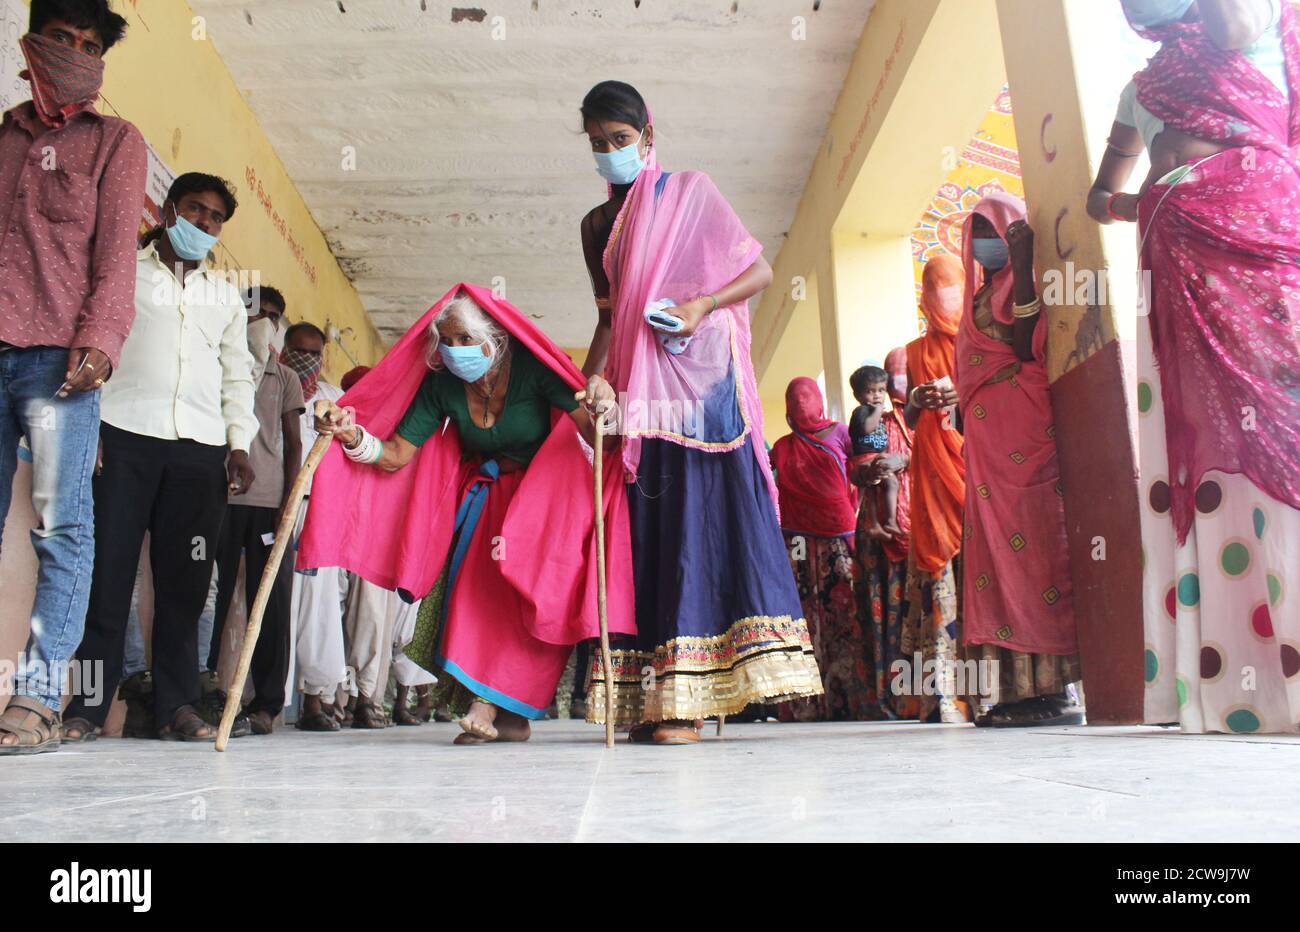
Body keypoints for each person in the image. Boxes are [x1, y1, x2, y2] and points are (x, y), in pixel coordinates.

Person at [575, 80, 822, 743]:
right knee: (649, 539)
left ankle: (687, 705)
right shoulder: (597, 226)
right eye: (598, 145)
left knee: (697, 536)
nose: (610, 154)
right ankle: (651, 699)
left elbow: (760, 272)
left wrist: (702, 306)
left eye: (620, 141)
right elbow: (607, 318)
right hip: (639, 401)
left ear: (649, 137)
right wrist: (589, 379)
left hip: (706, 394)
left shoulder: (690, 192)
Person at [1090, 0, 1299, 733]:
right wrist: (1144, 199)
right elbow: (1096, 195)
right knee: (1199, 456)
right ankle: (1228, 678)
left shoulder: (1265, 27)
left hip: (1261, 241)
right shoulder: (1141, 89)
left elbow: (1234, 25)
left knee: (1280, 433)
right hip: (1175, 265)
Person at [302, 284, 630, 746]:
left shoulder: (534, 372)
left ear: (493, 338)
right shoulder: (441, 386)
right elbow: (395, 454)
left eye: (464, 340)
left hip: (544, 501)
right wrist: (352, 435)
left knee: (535, 600)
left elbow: (602, 437)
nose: (454, 351)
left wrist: (605, 405)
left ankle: (503, 707)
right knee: (476, 599)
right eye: (447, 341)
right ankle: (492, 708)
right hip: (486, 499)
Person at [62, 172, 257, 743]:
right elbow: (92, 345)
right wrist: (85, 427)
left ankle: (178, 704)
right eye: (195, 209)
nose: (204, 224)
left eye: (216, 218)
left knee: (186, 584)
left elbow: (236, 374)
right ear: (169, 209)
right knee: (107, 579)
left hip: (200, 451)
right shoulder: (122, 271)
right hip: (122, 438)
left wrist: (239, 443)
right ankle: (88, 707)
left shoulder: (226, 295)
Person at [0, 0, 146, 754]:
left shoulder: (115, 142)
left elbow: (116, 255)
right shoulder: (4, 137)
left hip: (61, 360)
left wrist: (100, 339)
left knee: (63, 529)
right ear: (33, 42)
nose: (78, 54)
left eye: (93, 47)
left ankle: (36, 698)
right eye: (64, 39)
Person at [956, 194, 1081, 726]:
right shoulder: (978, 297)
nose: (986, 244)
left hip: (1025, 441)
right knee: (990, 561)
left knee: (1033, 554)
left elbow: (1030, 348)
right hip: (987, 454)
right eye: (976, 234)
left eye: (994, 232)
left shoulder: (1018, 283)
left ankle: (1050, 693)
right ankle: (1014, 692)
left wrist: (1024, 266)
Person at [205, 290, 305, 736]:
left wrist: (290, 500)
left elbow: (294, 441)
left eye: (271, 317)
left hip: (267, 503)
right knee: (211, 597)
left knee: (272, 603)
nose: (262, 322)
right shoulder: (217, 365)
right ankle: (204, 688)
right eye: (256, 313)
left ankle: (267, 703)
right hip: (220, 501)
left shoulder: (284, 377)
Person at [769, 377, 870, 721]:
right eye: (795, 400)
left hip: (830, 537)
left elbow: (859, 476)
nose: (801, 405)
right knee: (802, 621)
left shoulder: (842, 433)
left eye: (804, 398)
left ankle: (842, 701)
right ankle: (805, 704)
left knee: (840, 614)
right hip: (801, 541)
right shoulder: (782, 447)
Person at [899, 253, 967, 722]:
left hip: (974, 470)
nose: (943, 298)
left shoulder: (980, 341)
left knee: (975, 572)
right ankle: (942, 695)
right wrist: (919, 400)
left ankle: (986, 689)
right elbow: (906, 415)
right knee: (939, 573)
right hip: (931, 476)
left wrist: (962, 394)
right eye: (934, 288)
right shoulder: (914, 350)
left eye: (951, 287)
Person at [280, 323, 351, 732]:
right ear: (284, 350)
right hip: (277, 508)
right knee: (275, 606)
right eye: (298, 351)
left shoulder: (335, 400)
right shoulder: (270, 388)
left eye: (314, 354)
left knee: (319, 608)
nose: (306, 361)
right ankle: (266, 702)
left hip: (320, 512)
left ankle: (313, 702)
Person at [851, 348, 913, 720]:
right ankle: (886, 695)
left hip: (922, 523)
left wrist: (906, 459)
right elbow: (854, 463)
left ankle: (933, 695)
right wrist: (866, 472)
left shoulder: (928, 419)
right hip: (877, 527)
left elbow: (952, 455)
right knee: (881, 608)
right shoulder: (873, 421)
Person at [848, 365, 901, 540]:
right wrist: (878, 410)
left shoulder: (886, 416)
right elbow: (866, 429)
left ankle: (879, 524)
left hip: (876, 456)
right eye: (870, 391)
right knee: (888, 482)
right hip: (864, 458)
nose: (877, 395)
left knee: (874, 490)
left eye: (881, 390)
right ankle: (889, 521)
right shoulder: (861, 412)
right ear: (858, 396)